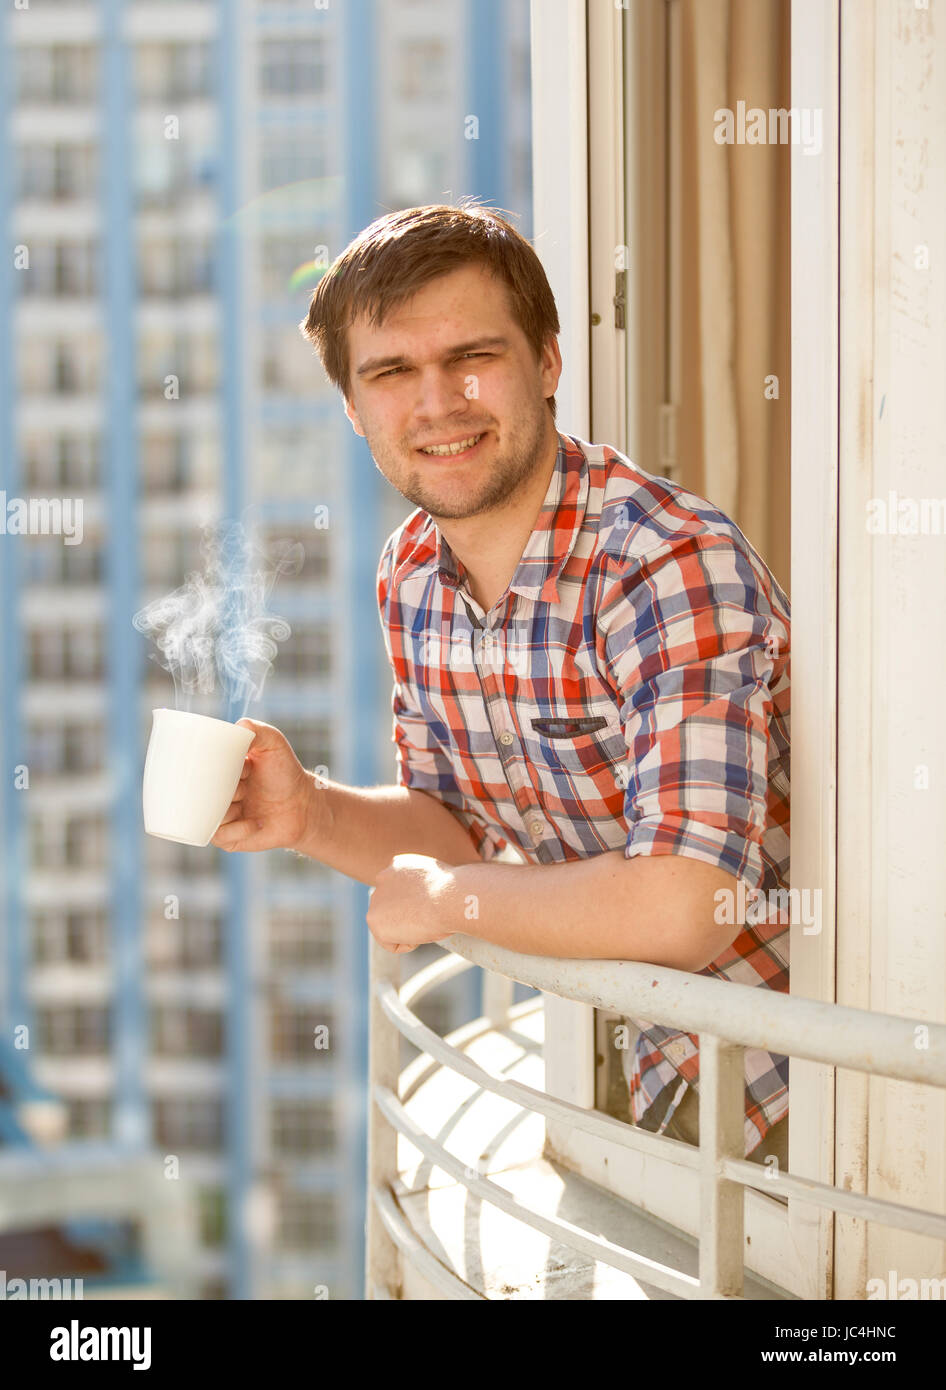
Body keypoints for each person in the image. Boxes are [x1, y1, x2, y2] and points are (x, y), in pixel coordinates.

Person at [212, 199, 791, 1175]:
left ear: (548, 363)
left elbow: (690, 905)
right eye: (393, 372)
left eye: (471, 356)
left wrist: (454, 902)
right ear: (355, 410)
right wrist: (307, 809)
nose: (438, 401)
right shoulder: (410, 574)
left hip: (802, 1102)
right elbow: (455, 833)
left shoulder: (662, 564)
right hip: (631, 1081)